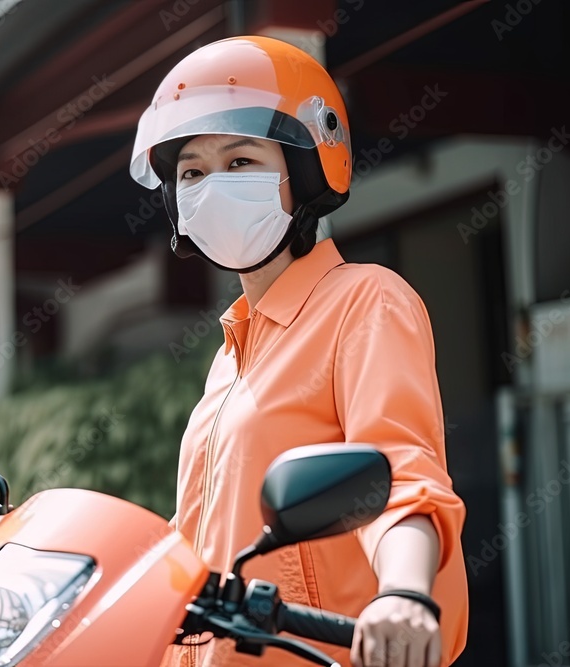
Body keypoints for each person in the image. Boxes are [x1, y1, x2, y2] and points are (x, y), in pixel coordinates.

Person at [129, 36, 469, 667]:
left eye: (240, 161)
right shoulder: (231, 352)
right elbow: (195, 541)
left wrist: (403, 591)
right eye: (192, 172)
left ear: (304, 170)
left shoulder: (364, 301)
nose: (211, 185)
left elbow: (400, 470)